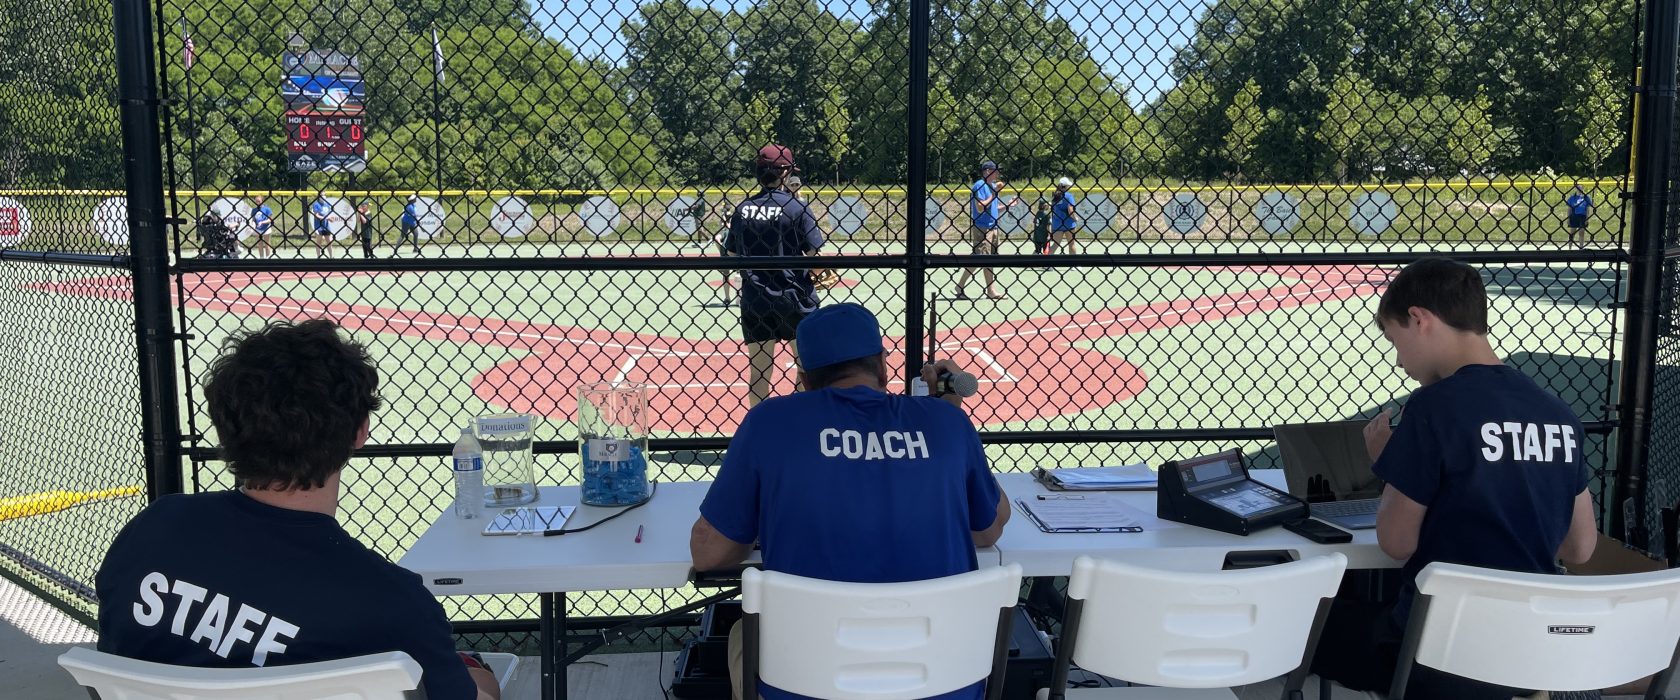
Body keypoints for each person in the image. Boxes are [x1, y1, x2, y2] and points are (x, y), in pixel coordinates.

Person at [95, 320, 501, 700]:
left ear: (225, 428)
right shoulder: (394, 604)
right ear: (359, 432)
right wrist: (481, 678)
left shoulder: (152, 531)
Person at [690, 302, 1012, 700]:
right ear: (882, 366)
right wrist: (946, 418)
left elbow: (708, 554)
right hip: (941, 683)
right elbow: (989, 528)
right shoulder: (945, 421)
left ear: (805, 380)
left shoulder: (770, 422)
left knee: (745, 632)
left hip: (807, 686)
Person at [1309, 258, 1599, 699]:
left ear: (1419, 319)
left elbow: (1396, 542)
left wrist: (1389, 464)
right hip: (1524, 652)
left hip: (1433, 654)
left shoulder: (1433, 408)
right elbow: (1580, 547)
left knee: (1305, 622)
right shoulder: (1558, 415)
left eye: (1395, 341)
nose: (1399, 360)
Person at [724, 144, 825, 406]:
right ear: (785, 172)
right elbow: (814, 254)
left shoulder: (743, 209)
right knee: (807, 367)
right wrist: (819, 273)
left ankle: (759, 430)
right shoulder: (797, 208)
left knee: (759, 372)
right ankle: (800, 422)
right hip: (794, 296)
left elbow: (732, 254)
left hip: (755, 297)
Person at [951, 160, 1019, 301]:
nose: (998, 173)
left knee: (987, 259)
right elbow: (981, 207)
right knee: (981, 259)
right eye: (995, 171)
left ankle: (971, 288)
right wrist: (994, 194)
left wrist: (1008, 205)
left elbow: (993, 207)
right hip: (983, 228)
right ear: (987, 171)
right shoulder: (980, 185)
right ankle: (986, 290)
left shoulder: (992, 186)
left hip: (993, 227)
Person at [1050, 176, 1080, 255]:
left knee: (1055, 245)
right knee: (1071, 244)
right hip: (1068, 224)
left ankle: (1048, 263)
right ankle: (1073, 264)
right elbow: (1070, 210)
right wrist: (1075, 218)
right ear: (1065, 186)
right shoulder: (1069, 196)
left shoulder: (1055, 196)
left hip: (1057, 224)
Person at [309, 194, 334, 258]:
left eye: (325, 195)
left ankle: (331, 256)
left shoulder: (327, 204)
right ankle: (319, 257)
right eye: (322, 195)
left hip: (326, 226)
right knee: (319, 242)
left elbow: (329, 215)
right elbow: (316, 215)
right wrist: (326, 218)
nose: (324, 196)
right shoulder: (316, 204)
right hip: (319, 226)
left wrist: (330, 218)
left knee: (329, 241)